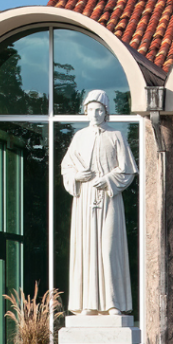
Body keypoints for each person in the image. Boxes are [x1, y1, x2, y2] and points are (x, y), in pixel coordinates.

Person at [61, 90, 137, 315]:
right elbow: (67, 167)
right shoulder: (79, 137)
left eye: (99, 110)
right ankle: (88, 304)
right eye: (91, 109)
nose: (95, 114)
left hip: (108, 198)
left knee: (108, 249)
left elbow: (127, 170)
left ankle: (113, 303)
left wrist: (108, 179)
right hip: (84, 200)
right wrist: (76, 176)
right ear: (85, 112)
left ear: (106, 112)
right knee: (86, 248)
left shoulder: (116, 136)